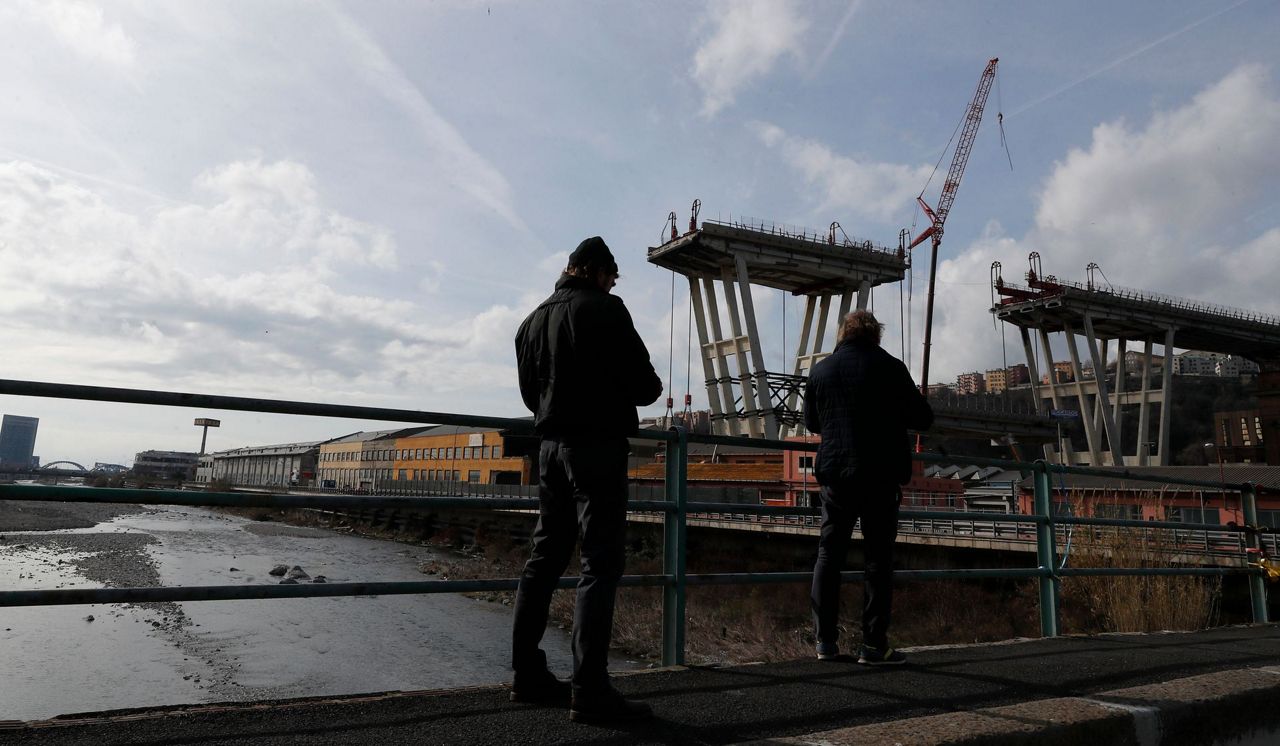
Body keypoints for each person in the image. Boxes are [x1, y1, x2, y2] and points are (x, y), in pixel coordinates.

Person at [511, 236, 663, 723]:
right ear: (598, 272)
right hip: (596, 446)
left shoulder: (530, 321)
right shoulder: (607, 310)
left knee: (544, 558)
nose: (614, 284)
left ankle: (526, 674)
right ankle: (590, 689)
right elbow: (647, 387)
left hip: (550, 448)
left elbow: (528, 395)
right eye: (613, 276)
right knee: (599, 562)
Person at [803, 309, 933, 665]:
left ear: (842, 334)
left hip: (837, 475)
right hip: (880, 475)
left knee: (829, 555)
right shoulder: (891, 367)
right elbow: (924, 418)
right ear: (877, 334)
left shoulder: (821, 370)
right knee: (877, 560)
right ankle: (874, 645)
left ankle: (825, 642)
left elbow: (812, 421)